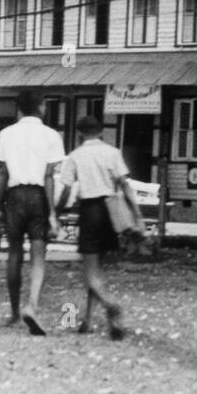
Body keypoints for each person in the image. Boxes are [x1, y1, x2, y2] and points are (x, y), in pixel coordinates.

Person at [57, 115, 141, 341]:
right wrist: (137, 216)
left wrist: (57, 210)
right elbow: (124, 185)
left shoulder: (75, 156)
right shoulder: (112, 152)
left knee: (89, 269)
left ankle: (110, 304)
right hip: (110, 210)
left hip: (90, 209)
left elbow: (65, 189)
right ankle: (87, 318)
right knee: (98, 269)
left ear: (79, 133)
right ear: (101, 131)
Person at [0, 91, 66, 335]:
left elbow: (3, 173)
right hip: (37, 197)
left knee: (14, 253)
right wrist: (53, 213)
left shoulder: (5, 134)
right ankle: (32, 305)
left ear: (19, 109)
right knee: (38, 254)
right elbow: (49, 177)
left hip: (13, 197)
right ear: (42, 107)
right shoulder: (51, 135)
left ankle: (14, 312)